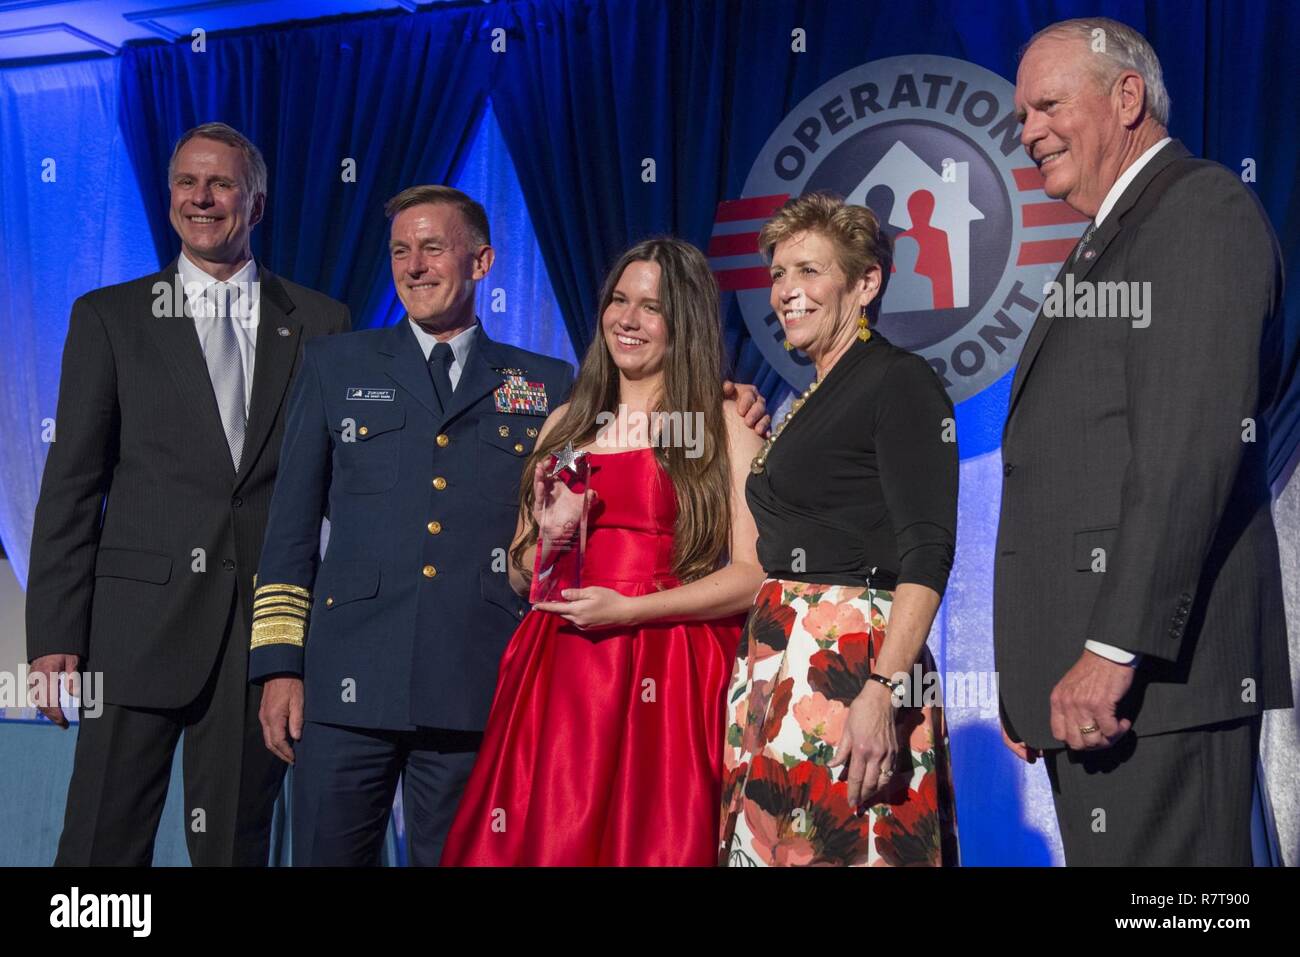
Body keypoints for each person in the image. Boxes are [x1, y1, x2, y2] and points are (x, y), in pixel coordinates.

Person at [251, 194, 769, 866]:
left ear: (482, 261)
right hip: (356, 684)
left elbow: (747, 567)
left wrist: (728, 398)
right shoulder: (336, 367)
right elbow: (289, 533)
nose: (414, 266)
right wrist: (278, 665)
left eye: (433, 247)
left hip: (481, 689)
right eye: (401, 251)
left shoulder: (547, 385)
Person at [998, 17, 1293, 865]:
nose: (1029, 133)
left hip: (1155, 683)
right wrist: (1037, 672)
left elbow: (1188, 450)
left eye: (1048, 104)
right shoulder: (1110, 241)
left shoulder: (1198, 211)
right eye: (1021, 117)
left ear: (1128, 96)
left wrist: (1108, 648)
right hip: (1096, 697)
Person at [26, 122, 351, 865]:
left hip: (261, 643)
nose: (201, 198)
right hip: (133, 631)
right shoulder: (109, 317)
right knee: (100, 846)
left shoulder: (322, 324)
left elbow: (340, 491)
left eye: (221, 183)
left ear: (256, 203)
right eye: (186, 182)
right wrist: (53, 639)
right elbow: (72, 488)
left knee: (237, 848)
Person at [440, 238, 767, 866]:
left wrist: (632, 611)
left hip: (669, 669)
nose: (627, 319)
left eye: (651, 306)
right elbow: (520, 577)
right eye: (619, 300)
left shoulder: (724, 424)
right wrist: (556, 537)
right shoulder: (564, 423)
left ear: (686, 320)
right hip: (560, 667)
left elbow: (753, 578)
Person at [719, 192, 960, 867]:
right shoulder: (808, 396)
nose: (787, 292)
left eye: (809, 271)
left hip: (853, 667)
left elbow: (928, 548)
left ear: (867, 282)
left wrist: (882, 692)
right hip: (780, 672)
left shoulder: (899, 381)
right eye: (778, 274)